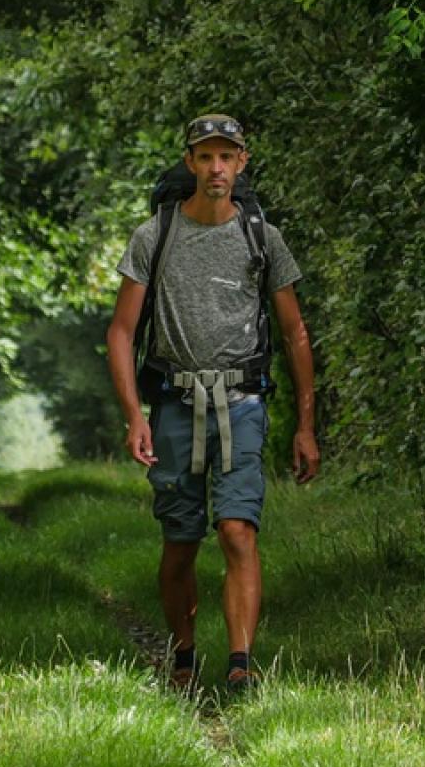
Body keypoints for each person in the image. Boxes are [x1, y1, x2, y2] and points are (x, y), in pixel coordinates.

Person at [105, 113, 319, 695]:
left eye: (227, 156)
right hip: (174, 403)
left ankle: (241, 665)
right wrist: (134, 416)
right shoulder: (156, 235)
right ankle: (183, 653)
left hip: (243, 401)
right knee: (180, 538)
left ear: (242, 163)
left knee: (236, 530)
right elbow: (122, 331)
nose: (216, 167)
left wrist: (306, 426)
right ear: (190, 163)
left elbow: (295, 333)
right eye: (205, 157)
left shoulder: (262, 238)